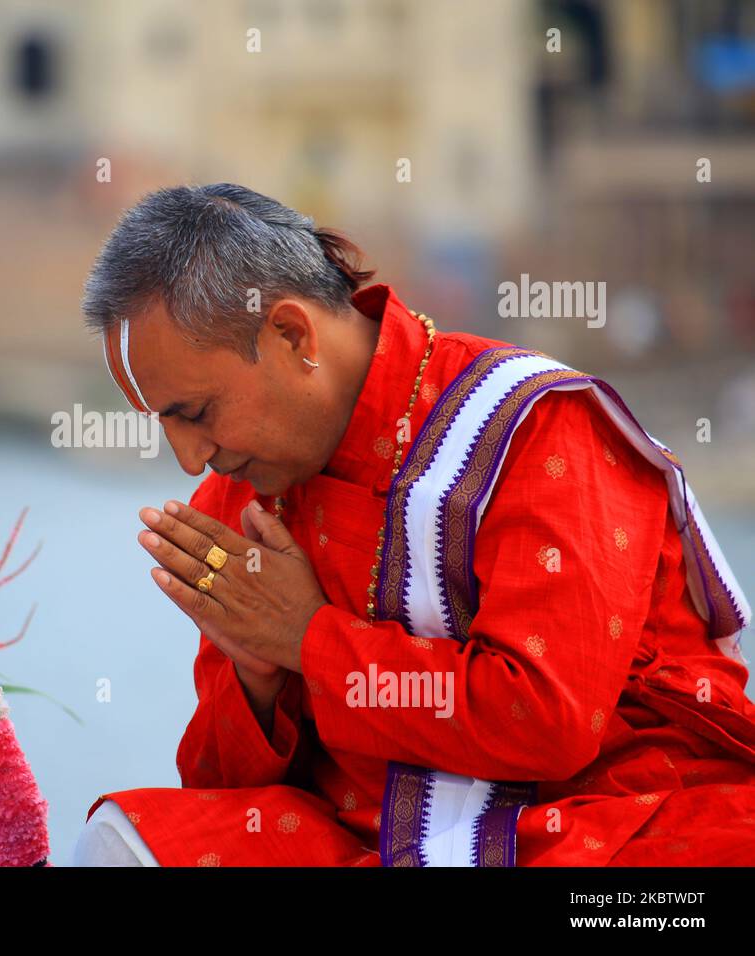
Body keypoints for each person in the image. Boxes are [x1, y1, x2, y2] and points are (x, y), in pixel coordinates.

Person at [73, 183, 755, 866]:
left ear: (291, 334)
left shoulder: (532, 426)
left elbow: (549, 722)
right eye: (159, 422)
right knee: (124, 845)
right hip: (364, 832)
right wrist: (257, 678)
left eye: (193, 414)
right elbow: (222, 794)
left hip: (598, 812)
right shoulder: (245, 493)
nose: (189, 460)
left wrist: (309, 641)